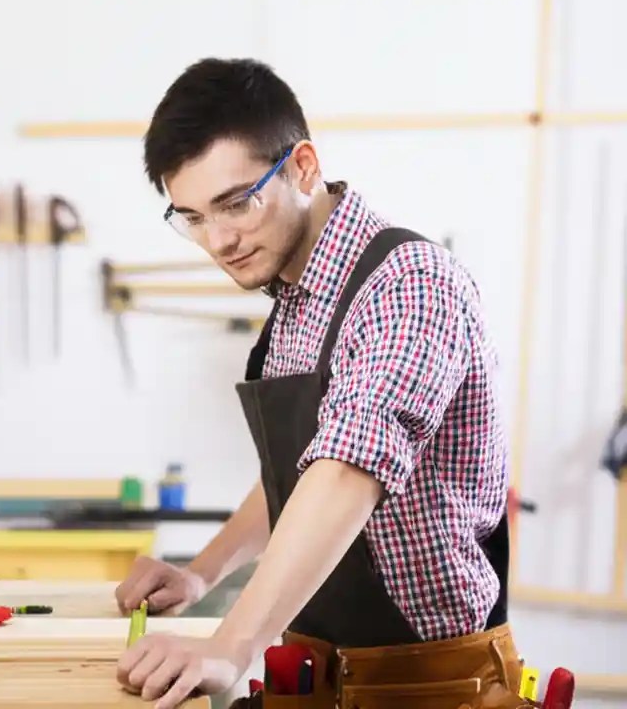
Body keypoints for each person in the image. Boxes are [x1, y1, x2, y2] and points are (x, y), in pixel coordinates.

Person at [113, 58, 528, 709]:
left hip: (431, 682)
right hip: (312, 672)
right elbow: (297, 472)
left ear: (303, 166)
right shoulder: (295, 301)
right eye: (191, 217)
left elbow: (345, 470)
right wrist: (201, 574)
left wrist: (231, 644)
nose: (218, 240)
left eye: (236, 202)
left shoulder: (409, 283)